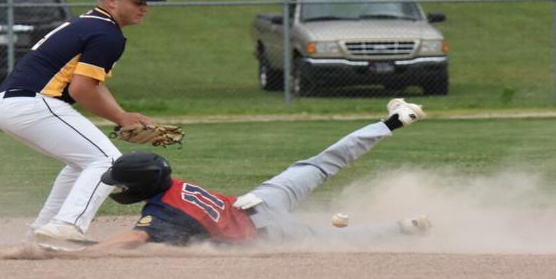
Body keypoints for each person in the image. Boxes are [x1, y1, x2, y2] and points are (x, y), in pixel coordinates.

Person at [64, 99, 430, 254]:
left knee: (330, 240)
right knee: (321, 164)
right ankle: (393, 121)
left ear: (139, 188)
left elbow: (134, 237)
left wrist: (89, 252)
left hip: (266, 230)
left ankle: (405, 227)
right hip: (262, 199)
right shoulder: (174, 185)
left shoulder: (163, 213)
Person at [0, 0, 164, 250]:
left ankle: (41, 235)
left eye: (146, 1)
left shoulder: (91, 24)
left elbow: (90, 84)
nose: (144, 6)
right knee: (108, 162)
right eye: (136, 0)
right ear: (111, 0)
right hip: (34, 104)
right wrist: (120, 118)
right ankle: (66, 227)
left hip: (15, 103)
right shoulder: (107, 34)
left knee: (82, 162)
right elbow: (81, 90)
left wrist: (121, 113)